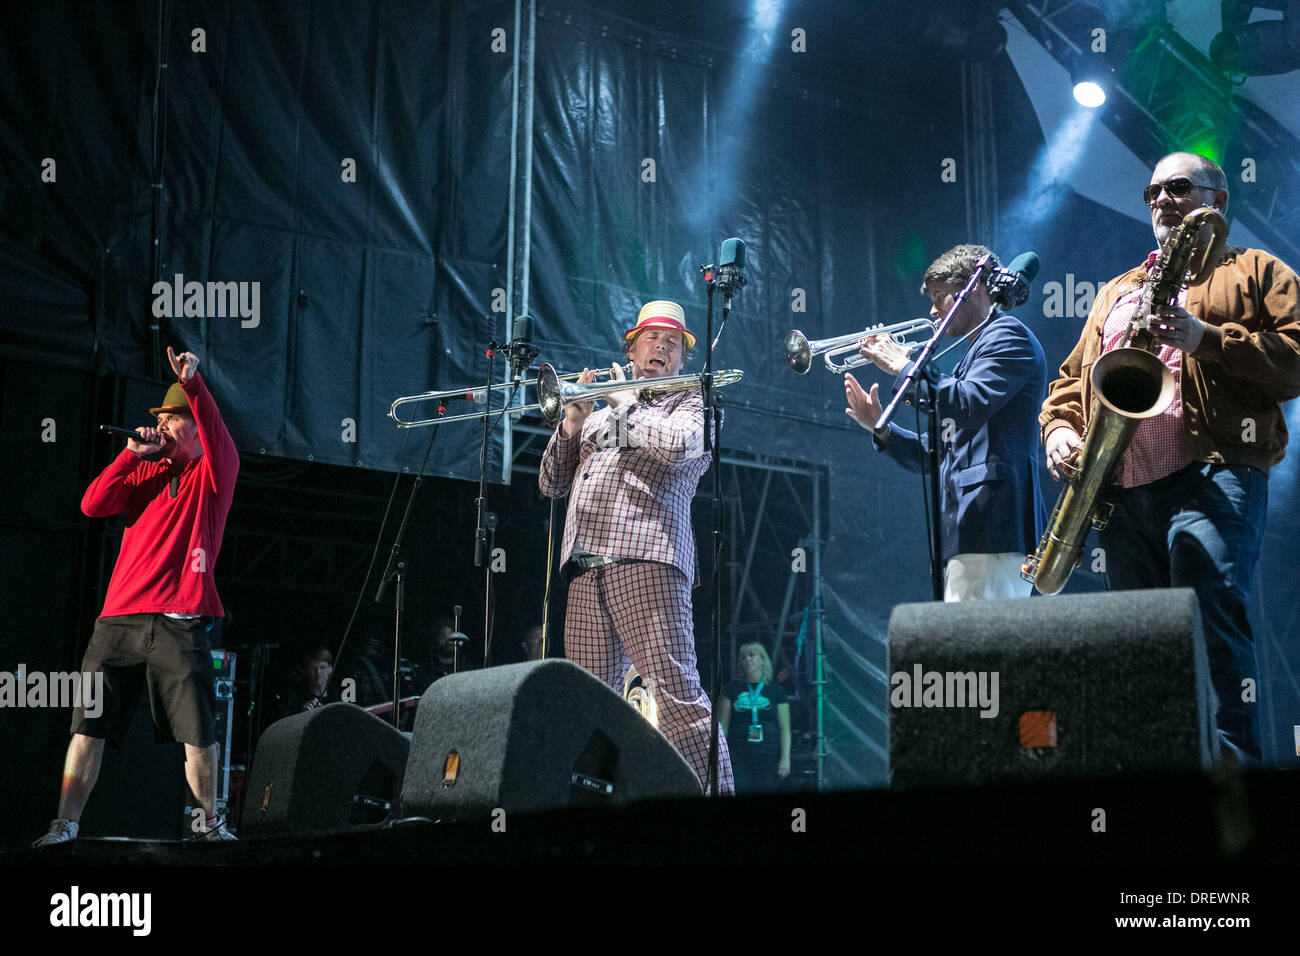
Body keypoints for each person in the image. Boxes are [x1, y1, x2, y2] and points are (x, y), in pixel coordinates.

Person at [1040, 152, 1300, 765]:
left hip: (1213, 477)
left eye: (1178, 187)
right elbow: (1070, 385)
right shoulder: (1118, 291)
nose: (1161, 200)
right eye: (1152, 191)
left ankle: (1235, 791)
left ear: (1218, 200)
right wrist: (1057, 430)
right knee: (1144, 645)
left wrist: (1207, 340)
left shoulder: (1256, 269)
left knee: (1213, 627)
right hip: (1124, 493)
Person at [35, 347, 240, 845]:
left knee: (198, 733)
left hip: (179, 617)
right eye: (161, 420)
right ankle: (64, 826)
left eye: (173, 421)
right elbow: (91, 504)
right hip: (119, 619)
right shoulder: (143, 470)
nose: (163, 428)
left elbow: (218, 436)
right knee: (87, 726)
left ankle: (210, 827)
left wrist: (193, 384)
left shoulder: (213, 475)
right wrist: (130, 454)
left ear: (195, 426)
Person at [538, 299, 733, 794]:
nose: (661, 347)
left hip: (648, 559)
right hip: (585, 567)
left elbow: (678, 447)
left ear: (682, 359)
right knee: (587, 706)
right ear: (632, 347)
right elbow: (550, 483)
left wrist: (626, 403)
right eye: (651, 338)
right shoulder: (600, 415)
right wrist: (572, 424)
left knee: (675, 697)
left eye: (672, 343)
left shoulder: (691, 401)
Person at [845, 244, 1048, 601]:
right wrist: (882, 428)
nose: (933, 310)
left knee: (985, 650)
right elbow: (937, 454)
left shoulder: (1007, 335)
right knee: (963, 653)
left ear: (975, 289)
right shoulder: (967, 358)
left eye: (941, 298)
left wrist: (904, 366)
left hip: (993, 529)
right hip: (966, 532)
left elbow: (968, 404)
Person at [719, 643, 790, 794]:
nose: (747, 660)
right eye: (743, 657)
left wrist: (785, 758)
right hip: (738, 752)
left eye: (752, 655)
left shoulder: (776, 691)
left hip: (768, 753)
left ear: (763, 660)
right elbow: (723, 725)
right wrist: (720, 755)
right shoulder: (732, 689)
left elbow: (785, 729)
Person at [273, 646, 340, 719]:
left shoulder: (337, 697)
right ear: (306, 671)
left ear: (330, 669)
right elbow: (282, 726)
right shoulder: (293, 697)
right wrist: (302, 716)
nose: (318, 673)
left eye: (322, 667)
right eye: (313, 668)